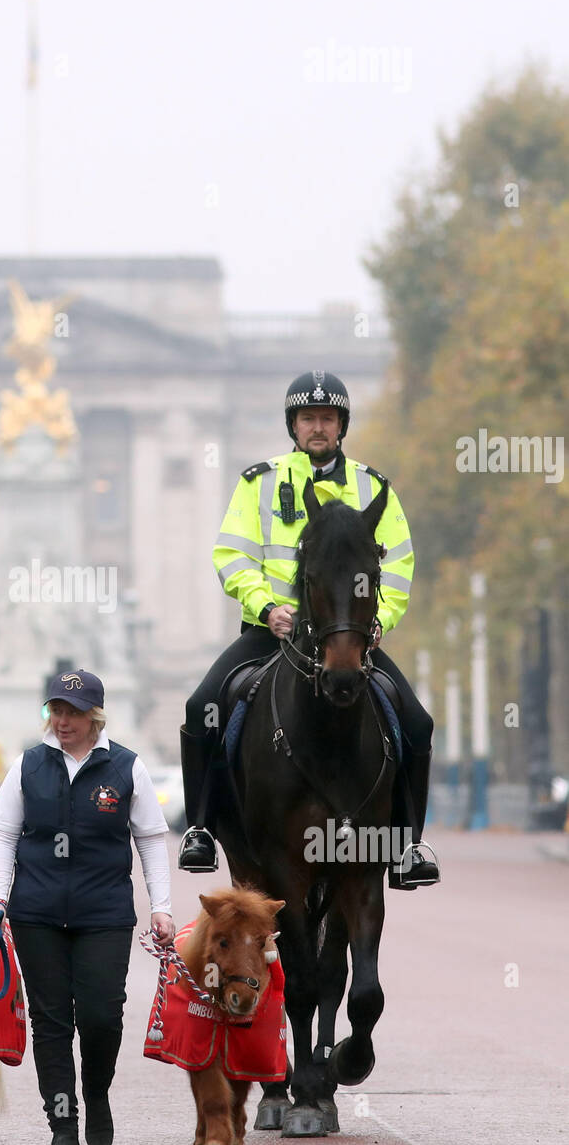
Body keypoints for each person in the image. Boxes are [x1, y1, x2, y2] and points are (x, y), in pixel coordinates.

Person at [179, 369, 439, 890]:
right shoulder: (259, 482)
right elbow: (232, 556)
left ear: (341, 425)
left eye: (327, 418)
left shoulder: (374, 488)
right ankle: (201, 829)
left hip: (347, 638)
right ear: (293, 426)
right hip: (270, 633)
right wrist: (268, 606)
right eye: (307, 419)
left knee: (416, 721)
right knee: (200, 707)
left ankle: (409, 845)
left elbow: (401, 566)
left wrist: (379, 622)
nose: (317, 427)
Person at [0, 670, 174, 1145]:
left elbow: (151, 840)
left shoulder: (126, 767)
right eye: (56, 711)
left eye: (72, 712)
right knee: (49, 1023)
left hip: (105, 915)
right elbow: (4, 835)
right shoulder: (28, 764)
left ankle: (97, 1094)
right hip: (36, 915)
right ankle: (62, 1129)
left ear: (95, 716)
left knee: (100, 1016)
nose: (62, 721)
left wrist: (161, 907)